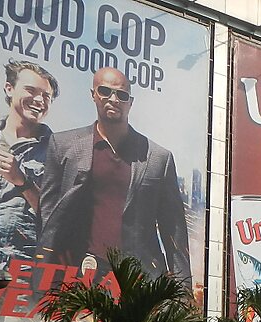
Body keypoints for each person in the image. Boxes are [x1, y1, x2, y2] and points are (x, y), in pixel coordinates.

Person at [38, 67, 189, 278]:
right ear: (93, 94)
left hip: (136, 277)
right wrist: (44, 274)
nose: (113, 99)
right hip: (77, 272)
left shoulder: (157, 158)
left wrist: (182, 291)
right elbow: (48, 215)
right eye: (105, 91)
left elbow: (174, 230)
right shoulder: (63, 146)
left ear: (130, 102)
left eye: (121, 94)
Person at [0, 59, 58, 267]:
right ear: (9, 88)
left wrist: (21, 181)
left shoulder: (57, 151)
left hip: (17, 271)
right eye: (31, 90)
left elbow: (55, 216)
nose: (39, 100)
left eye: (46, 96)